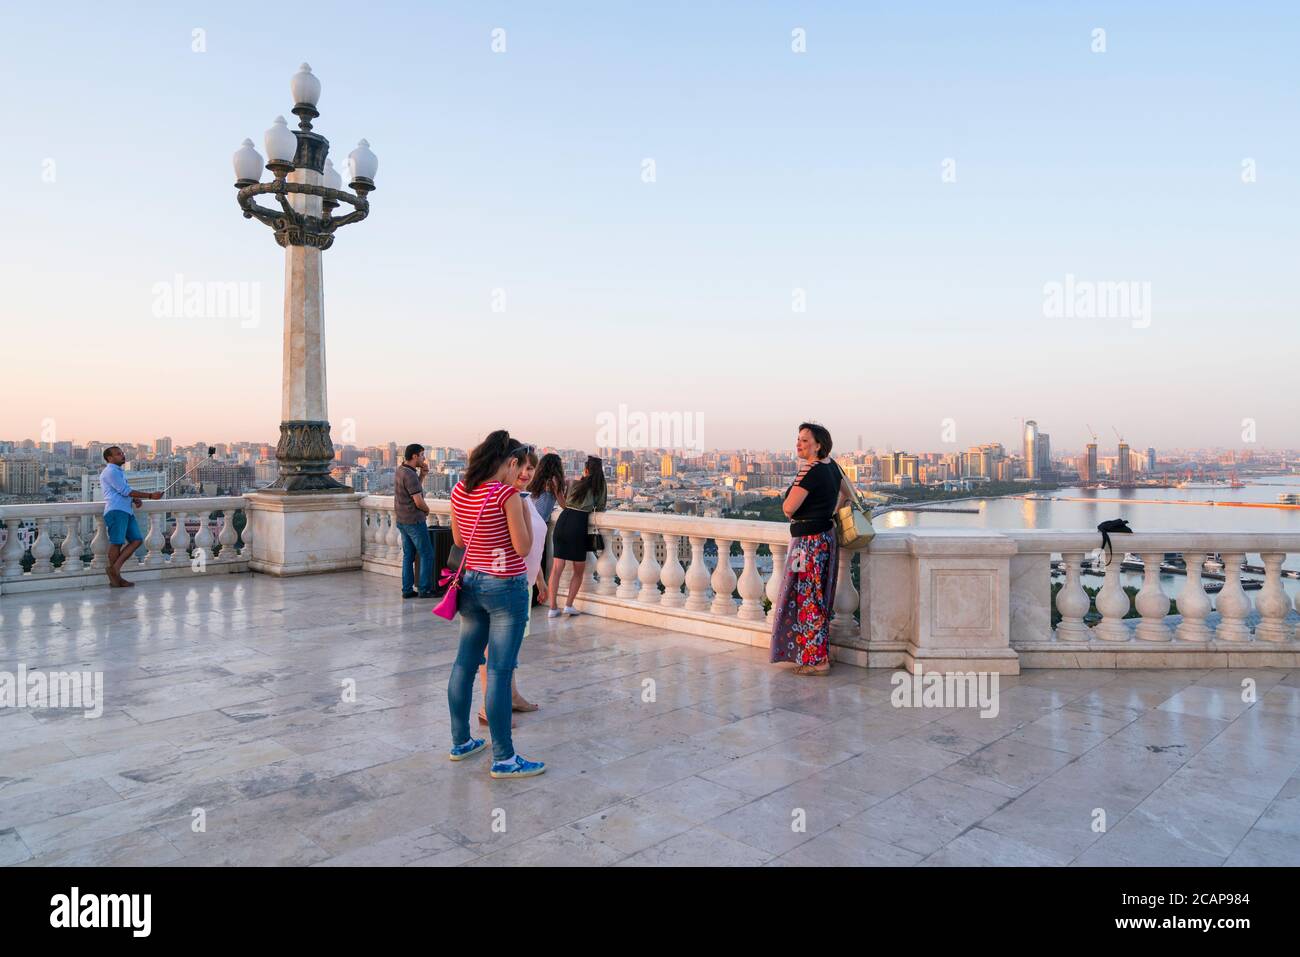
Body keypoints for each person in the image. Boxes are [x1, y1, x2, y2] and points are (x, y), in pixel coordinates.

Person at [446, 430, 545, 779]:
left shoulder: (460, 490)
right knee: (500, 673)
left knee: (464, 664)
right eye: (517, 464)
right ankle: (504, 758)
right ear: (510, 462)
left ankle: (461, 742)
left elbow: (458, 539)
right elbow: (522, 548)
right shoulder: (507, 495)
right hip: (505, 587)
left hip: (471, 582)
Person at [770, 423, 848, 675]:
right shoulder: (833, 466)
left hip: (806, 543)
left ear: (818, 445)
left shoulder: (810, 471)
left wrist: (795, 508)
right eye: (798, 439)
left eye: (805, 440)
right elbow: (848, 494)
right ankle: (819, 653)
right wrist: (829, 512)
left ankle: (817, 661)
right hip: (826, 536)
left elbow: (789, 508)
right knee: (819, 596)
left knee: (806, 597)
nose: (799, 444)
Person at [477, 448, 545, 725]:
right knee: (493, 651)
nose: (526, 474)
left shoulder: (524, 499)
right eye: (522, 468)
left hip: (523, 583)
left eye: (531, 469)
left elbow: (532, 548)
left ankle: (512, 696)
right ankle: (488, 707)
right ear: (509, 466)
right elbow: (517, 545)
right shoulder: (506, 501)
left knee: (511, 648)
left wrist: (539, 579)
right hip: (505, 585)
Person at [546, 455, 606, 618]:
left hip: (563, 521)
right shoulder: (598, 486)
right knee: (578, 570)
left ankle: (552, 608)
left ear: (585, 470)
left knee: (557, 569)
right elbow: (600, 506)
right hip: (578, 525)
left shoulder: (574, 483)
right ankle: (568, 605)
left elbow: (564, 503)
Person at [99, 446, 162, 588]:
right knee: (117, 542)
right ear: (109, 458)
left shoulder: (118, 471)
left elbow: (121, 492)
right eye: (118, 454)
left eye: (122, 453)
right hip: (116, 511)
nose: (122, 455)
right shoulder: (110, 472)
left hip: (126, 510)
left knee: (137, 540)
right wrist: (151, 496)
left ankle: (114, 570)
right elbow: (125, 491)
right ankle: (116, 578)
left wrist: (134, 500)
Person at [394, 443, 434, 598]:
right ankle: (424, 589)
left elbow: (413, 488)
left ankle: (407, 590)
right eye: (422, 455)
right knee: (427, 554)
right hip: (414, 521)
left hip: (402, 520)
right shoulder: (409, 474)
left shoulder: (401, 470)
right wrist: (427, 510)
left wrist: (422, 475)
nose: (424, 458)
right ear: (415, 456)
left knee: (408, 555)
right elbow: (418, 500)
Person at [527, 452, 566, 597]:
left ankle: (536, 589)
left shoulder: (536, 480)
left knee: (530, 557)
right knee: (536, 557)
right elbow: (563, 504)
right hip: (539, 522)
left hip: (528, 517)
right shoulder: (554, 480)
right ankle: (540, 591)